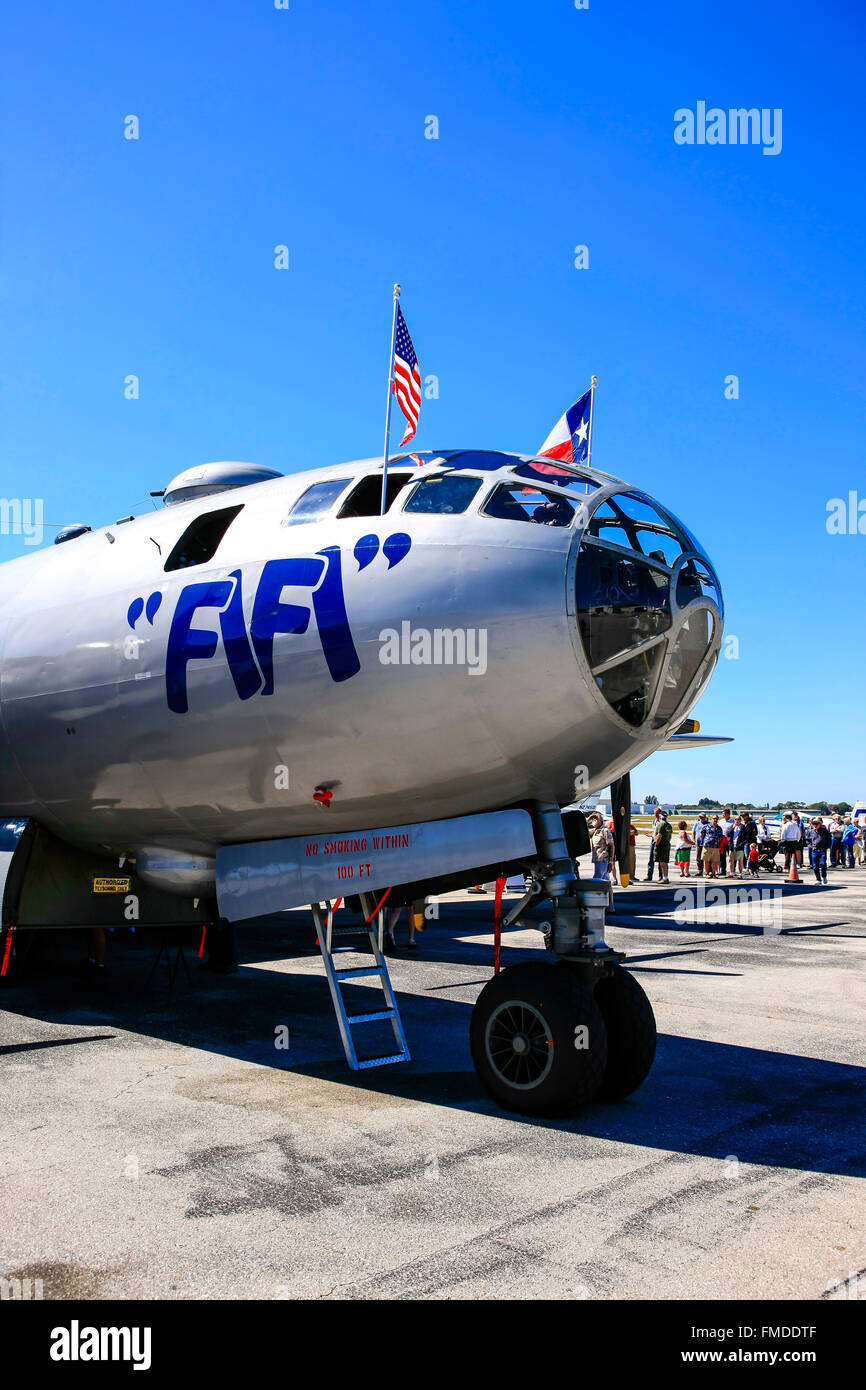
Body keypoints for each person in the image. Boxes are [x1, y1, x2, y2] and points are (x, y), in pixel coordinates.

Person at [589, 813, 614, 880]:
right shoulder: (595, 831)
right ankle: (607, 890)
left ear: (600, 821)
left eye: (596, 819)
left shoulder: (605, 831)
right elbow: (584, 829)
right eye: (593, 819)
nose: (594, 821)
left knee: (597, 878)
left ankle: (598, 890)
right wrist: (589, 819)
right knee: (604, 879)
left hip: (603, 859)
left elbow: (611, 846)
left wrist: (611, 862)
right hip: (597, 859)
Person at [808, 817, 831, 885]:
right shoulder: (811, 831)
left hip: (822, 850)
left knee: (823, 864)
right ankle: (818, 879)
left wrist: (826, 847)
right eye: (813, 824)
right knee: (815, 866)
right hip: (815, 850)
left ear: (820, 824)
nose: (815, 825)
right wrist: (811, 846)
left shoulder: (825, 831)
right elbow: (808, 840)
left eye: (817, 824)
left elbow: (829, 839)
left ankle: (824, 876)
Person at [644, 807, 664, 880]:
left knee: (659, 859)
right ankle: (649, 875)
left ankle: (661, 876)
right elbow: (654, 832)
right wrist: (650, 835)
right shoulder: (654, 821)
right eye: (655, 813)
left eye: (657, 813)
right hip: (653, 840)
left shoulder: (662, 822)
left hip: (659, 841)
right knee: (651, 859)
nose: (656, 815)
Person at [653, 811, 672, 883]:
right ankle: (665, 877)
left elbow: (659, 835)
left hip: (661, 844)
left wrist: (657, 844)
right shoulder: (668, 825)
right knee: (665, 862)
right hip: (667, 843)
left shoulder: (660, 824)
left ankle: (665, 878)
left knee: (662, 862)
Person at [719, 808, 734, 875]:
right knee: (722, 856)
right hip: (722, 841)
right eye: (722, 814)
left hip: (729, 841)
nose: (723, 815)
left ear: (728, 814)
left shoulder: (732, 821)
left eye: (724, 814)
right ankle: (723, 870)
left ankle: (732, 870)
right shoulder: (721, 821)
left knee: (731, 857)